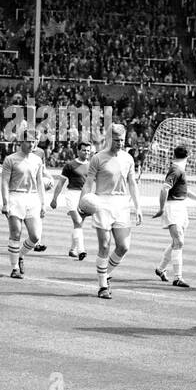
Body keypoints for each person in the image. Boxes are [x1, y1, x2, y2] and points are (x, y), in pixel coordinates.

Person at [79, 123, 142, 300]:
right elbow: (89, 182)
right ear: (109, 139)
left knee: (123, 246)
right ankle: (102, 286)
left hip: (122, 203)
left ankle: (105, 274)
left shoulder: (128, 158)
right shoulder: (98, 158)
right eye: (116, 140)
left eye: (122, 140)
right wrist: (82, 203)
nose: (120, 143)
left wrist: (138, 207)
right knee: (105, 245)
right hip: (102, 203)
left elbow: (132, 183)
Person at [154, 145, 196, 288]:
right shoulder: (176, 170)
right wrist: (161, 208)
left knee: (176, 242)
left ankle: (160, 269)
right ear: (188, 156)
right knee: (179, 242)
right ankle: (178, 278)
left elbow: (184, 190)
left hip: (181, 207)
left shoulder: (179, 169)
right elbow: (164, 189)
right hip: (173, 207)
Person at [0, 127, 49, 279]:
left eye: (34, 142)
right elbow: (4, 183)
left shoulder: (37, 160)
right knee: (15, 233)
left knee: (35, 236)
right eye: (29, 141)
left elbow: (40, 183)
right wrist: (5, 202)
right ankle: (14, 268)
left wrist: (43, 203)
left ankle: (20, 255)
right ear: (21, 141)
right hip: (15, 197)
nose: (32, 145)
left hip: (32, 198)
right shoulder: (10, 159)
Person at [50, 139, 92, 260]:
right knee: (78, 221)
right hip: (72, 195)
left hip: (84, 197)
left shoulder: (91, 166)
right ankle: (81, 250)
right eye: (84, 150)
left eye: (88, 151)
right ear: (78, 151)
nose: (86, 153)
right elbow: (60, 183)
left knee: (79, 224)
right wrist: (54, 199)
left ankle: (73, 249)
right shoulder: (70, 165)